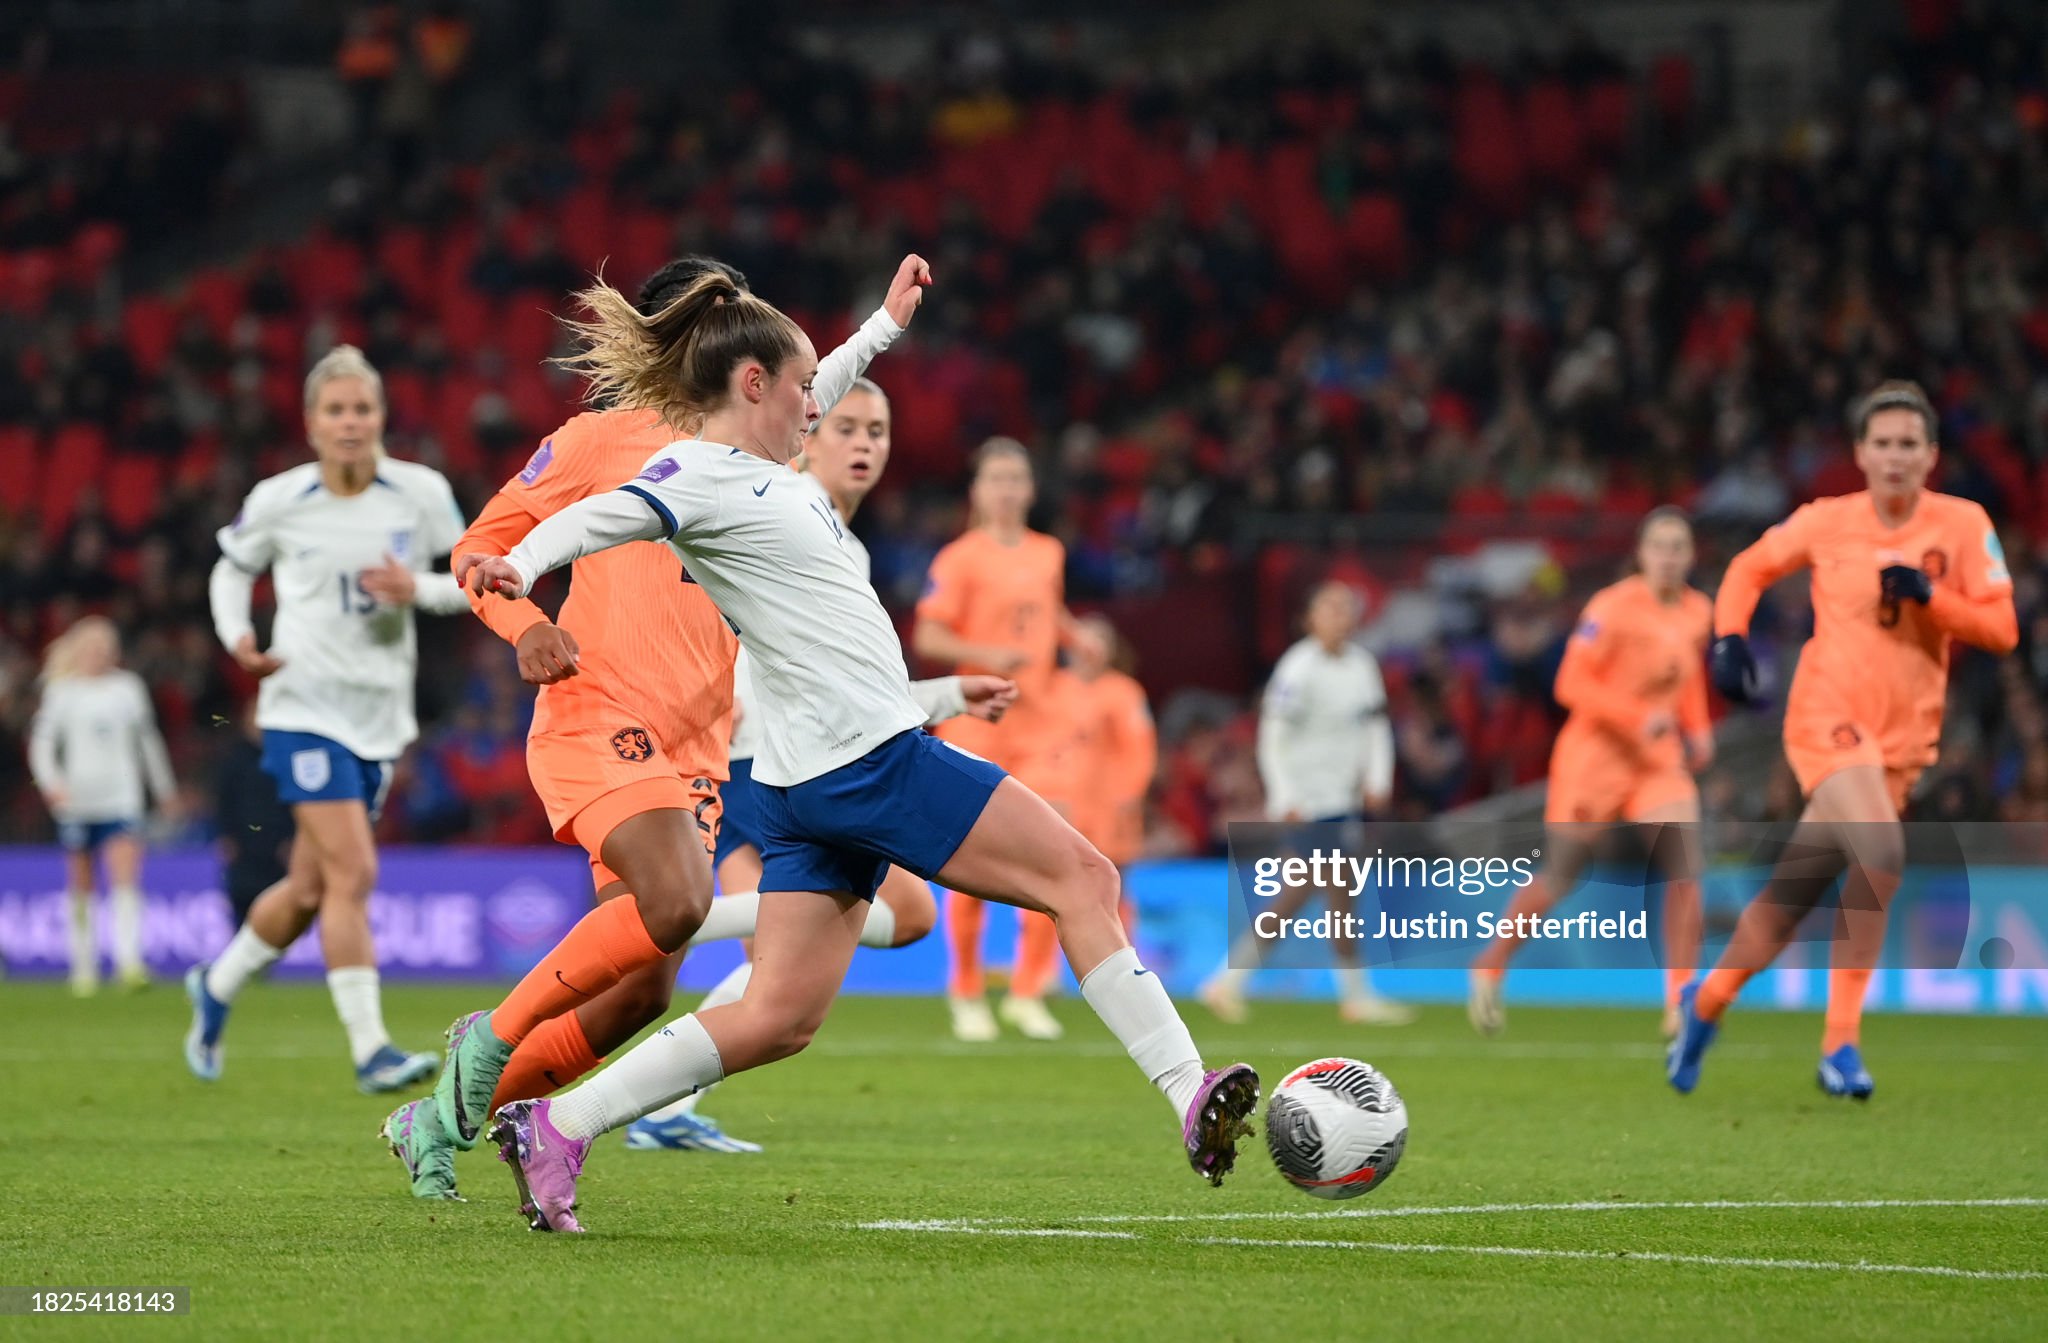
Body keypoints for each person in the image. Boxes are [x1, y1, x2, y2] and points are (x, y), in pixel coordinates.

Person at [451, 270, 1258, 1231]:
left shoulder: (759, 460)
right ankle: (1186, 1089)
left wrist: (881, 327)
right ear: (752, 385)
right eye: (800, 391)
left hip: (804, 779)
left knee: (776, 1017)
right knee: (1082, 877)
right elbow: (598, 515)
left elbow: (817, 384)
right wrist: (524, 566)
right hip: (868, 758)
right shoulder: (693, 475)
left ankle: (559, 1125)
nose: (820, 411)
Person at [380, 256, 937, 1197]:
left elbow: (822, 381)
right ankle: (492, 1034)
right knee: (677, 901)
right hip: (599, 710)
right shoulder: (600, 439)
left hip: (697, 742)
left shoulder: (766, 440)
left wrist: (882, 328)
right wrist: (529, 624)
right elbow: (481, 545)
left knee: (643, 988)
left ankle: (435, 1117)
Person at [624, 375, 1015, 1151]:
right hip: (752, 766)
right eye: (847, 427)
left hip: (819, 760)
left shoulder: (846, 541)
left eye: (878, 429)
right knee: (783, 967)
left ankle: (683, 938)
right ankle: (658, 1093)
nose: (865, 443)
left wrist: (945, 695)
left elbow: (851, 684)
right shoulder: (767, 506)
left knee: (908, 915)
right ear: (806, 429)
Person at [1670, 380, 2017, 1098]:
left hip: (1903, 741)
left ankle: (1703, 1007)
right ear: (1860, 453)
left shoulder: (1961, 523)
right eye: (1882, 443)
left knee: (1787, 900)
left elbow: (2003, 628)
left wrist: (1932, 598)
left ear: (1931, 455)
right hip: (1827, 718)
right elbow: (1748, 567)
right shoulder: (1829, 520)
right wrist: (1728, 636)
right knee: (1883, 850)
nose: (1895, 456)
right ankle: (1841, 1045)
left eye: (1909, 444)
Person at [186, 344, 470, 1092]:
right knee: (354, 872)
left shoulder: (420, 492)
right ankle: (371, 1047)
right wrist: (237, 636)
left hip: (378, 716)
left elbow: (474, 581)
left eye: (363, 408)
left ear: (382, 416)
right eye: (336, 410)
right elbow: (231, 565)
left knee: (312, 887)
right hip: (301, 710)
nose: (350, 422)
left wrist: (420, 589)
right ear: (311, 423)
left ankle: (215, 984)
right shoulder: (281, 498)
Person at [1468, 508, 1712, 1037]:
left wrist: (1699, 727)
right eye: (1660, 547)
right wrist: (1634, 716)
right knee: (1563, 874)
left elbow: (1686, 678)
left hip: (1656, 761)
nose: (1669, 557)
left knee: (1685, 866)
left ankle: (1681, 999)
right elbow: (1569, 685)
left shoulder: (1698, 611)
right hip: (1597, 757)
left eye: (1679, 547)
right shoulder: (1613, 607)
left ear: (1690, 556)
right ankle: (1491, 962)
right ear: (1642, 554)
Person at [914, 439, 1078, 1042]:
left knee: (1053, 855)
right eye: (996, 478)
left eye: (1017, 477)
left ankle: (1029, 990)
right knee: (971, 861)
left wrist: (1079, 639)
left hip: (1041, 723)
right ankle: (966, 990)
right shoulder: (960, 559)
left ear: (1030, 489)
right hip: (976, 720)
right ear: (977, 491)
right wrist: (987, 656)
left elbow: (1046, 613)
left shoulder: (1049, 552)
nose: (1008, 489)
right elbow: (930, 637)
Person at [1200, 582, 1414, 1026]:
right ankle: (1229, 981)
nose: (1338, 616)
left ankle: (1348, 994)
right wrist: (1285, 795)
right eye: (1329, 608)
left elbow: (1374, 728)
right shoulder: (1297, 669)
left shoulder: (1362, 666)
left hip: (1343, 797)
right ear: (1310, 618)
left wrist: (1377, 777)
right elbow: (1272, 738)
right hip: (1310, 799)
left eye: (1345, 608)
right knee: (1312, 889)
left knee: (1336, 894)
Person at [28, 615, 178, 995]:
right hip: (77, 801)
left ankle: (129, 962)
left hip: (121, 798)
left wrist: (164, 788)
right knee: (81, 882)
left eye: (103, 647)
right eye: (91, 647)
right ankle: (83, 966)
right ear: (78, 651)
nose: (97, 654)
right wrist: (52, 785)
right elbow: (42, 744)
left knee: (126, 879)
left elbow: (148, 742)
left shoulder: (127, 689)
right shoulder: (62, 692)